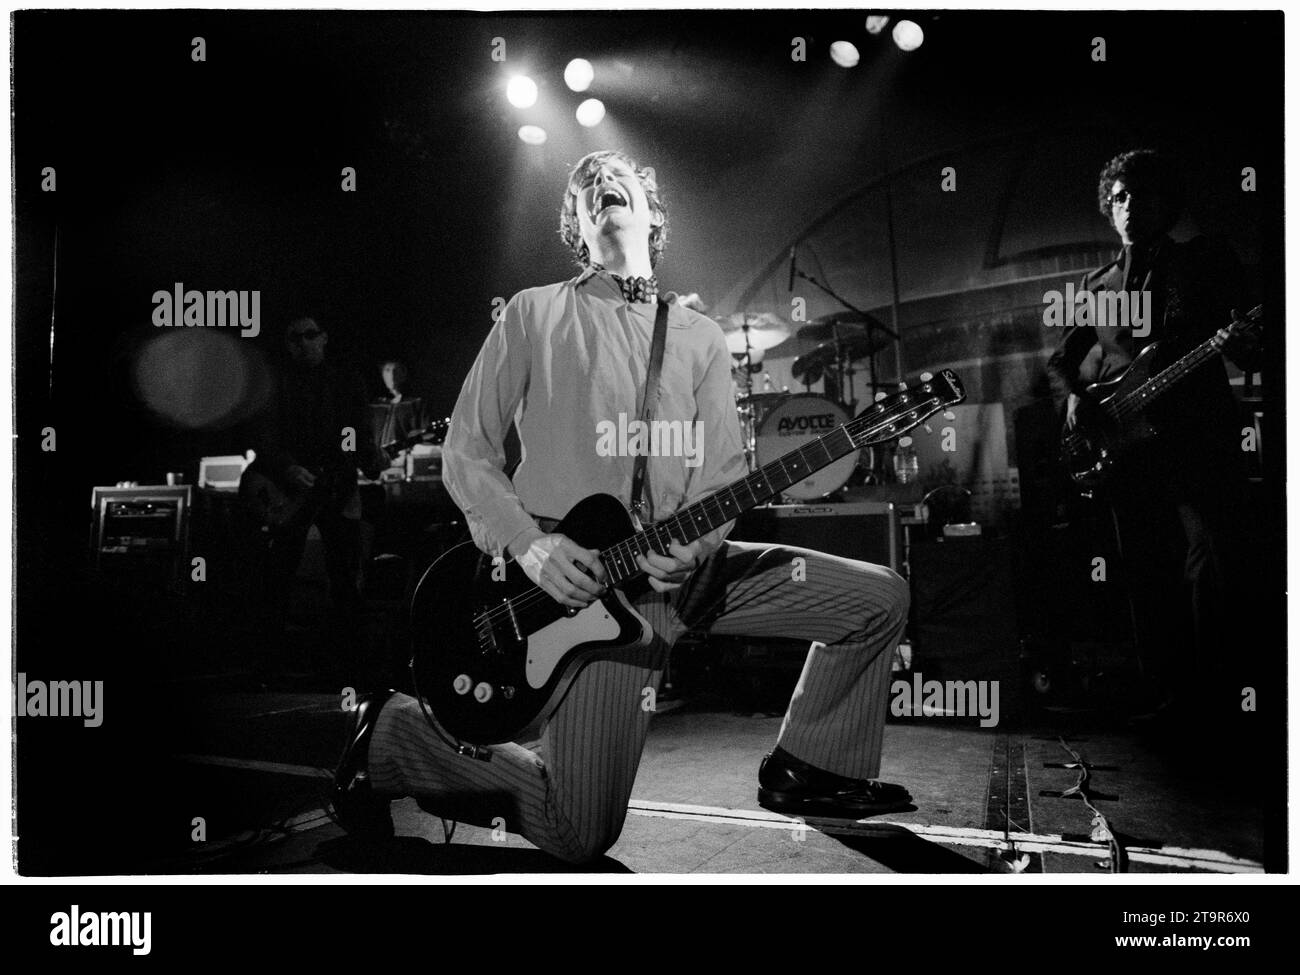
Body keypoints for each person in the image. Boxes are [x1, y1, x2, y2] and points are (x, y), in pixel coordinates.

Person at [332, 150, 912, 864]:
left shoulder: (699, 335)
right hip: (580, 595)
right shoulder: (533, 313)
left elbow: (725, 469)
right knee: (579, 831)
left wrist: (697, 544)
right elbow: (467, 448)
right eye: (583, 190)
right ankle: (394, 734)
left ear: (653, 213)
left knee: (878, 598)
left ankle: (811, 769)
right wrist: (528, 542)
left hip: (687, 568)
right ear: (577, 227)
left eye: (618, 181)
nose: (598, 182)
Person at [1047, 149, 1261, 722]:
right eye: (1118, 196)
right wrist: (1075, 396)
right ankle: (1167, 696)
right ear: (1106, 209)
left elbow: (1253, 336)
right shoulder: (1096, 284)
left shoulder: (1206, 258)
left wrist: (1243, 343)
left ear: (1168, 203)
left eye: (1142, 194)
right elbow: (1062, 359)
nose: (1129, 206)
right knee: (1144, 570)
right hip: (1128, 443)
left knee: (1213, 559)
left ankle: (1222, 692)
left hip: (1200, 436)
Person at [248, 316, 385, 683]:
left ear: (324, 338)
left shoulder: (346, 381)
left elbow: (358, 433)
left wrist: (369, 456)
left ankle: (351, 671)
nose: (303, 343)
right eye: (295, 338)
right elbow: (263, 438)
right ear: (287, 343)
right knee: (277, 577)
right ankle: (269, 665)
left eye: (310, 335)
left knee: (345, 578)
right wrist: (289, 469)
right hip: (289, 488)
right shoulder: (275, 383)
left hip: (337, 486)